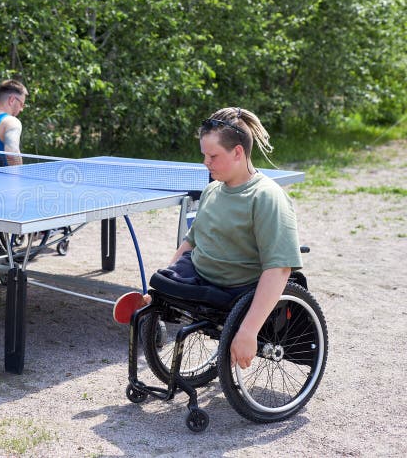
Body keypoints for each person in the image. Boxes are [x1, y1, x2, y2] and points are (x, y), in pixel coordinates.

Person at [116, 107, 302, 371]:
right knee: (162, 279)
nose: (206, 162)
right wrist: (168, 276)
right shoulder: (212, 190)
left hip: (236, 285)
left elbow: (279, 268)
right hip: (201, 273)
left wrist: (248, 331)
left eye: (213, 156)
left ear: (237, 152)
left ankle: (156, 301)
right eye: (204, 155)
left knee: (171, 282)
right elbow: (191, 241)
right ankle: (152, 301)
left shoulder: (266, 197)